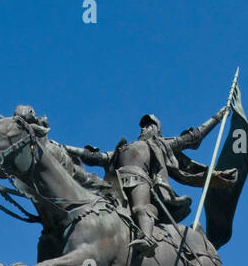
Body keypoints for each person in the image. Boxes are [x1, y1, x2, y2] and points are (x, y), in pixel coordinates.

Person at [64, 105, 229, 254]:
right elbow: (96, 157)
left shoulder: (162, 143)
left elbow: (194, 137)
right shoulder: (123, 148)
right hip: (114, 184)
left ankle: (148, 239)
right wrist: (65, 148)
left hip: (140, 181)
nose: (144, 128)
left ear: (157, 130)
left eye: (149, 125)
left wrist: (219, 116)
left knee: (140, 207)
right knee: (95, 208)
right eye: (143, 125)